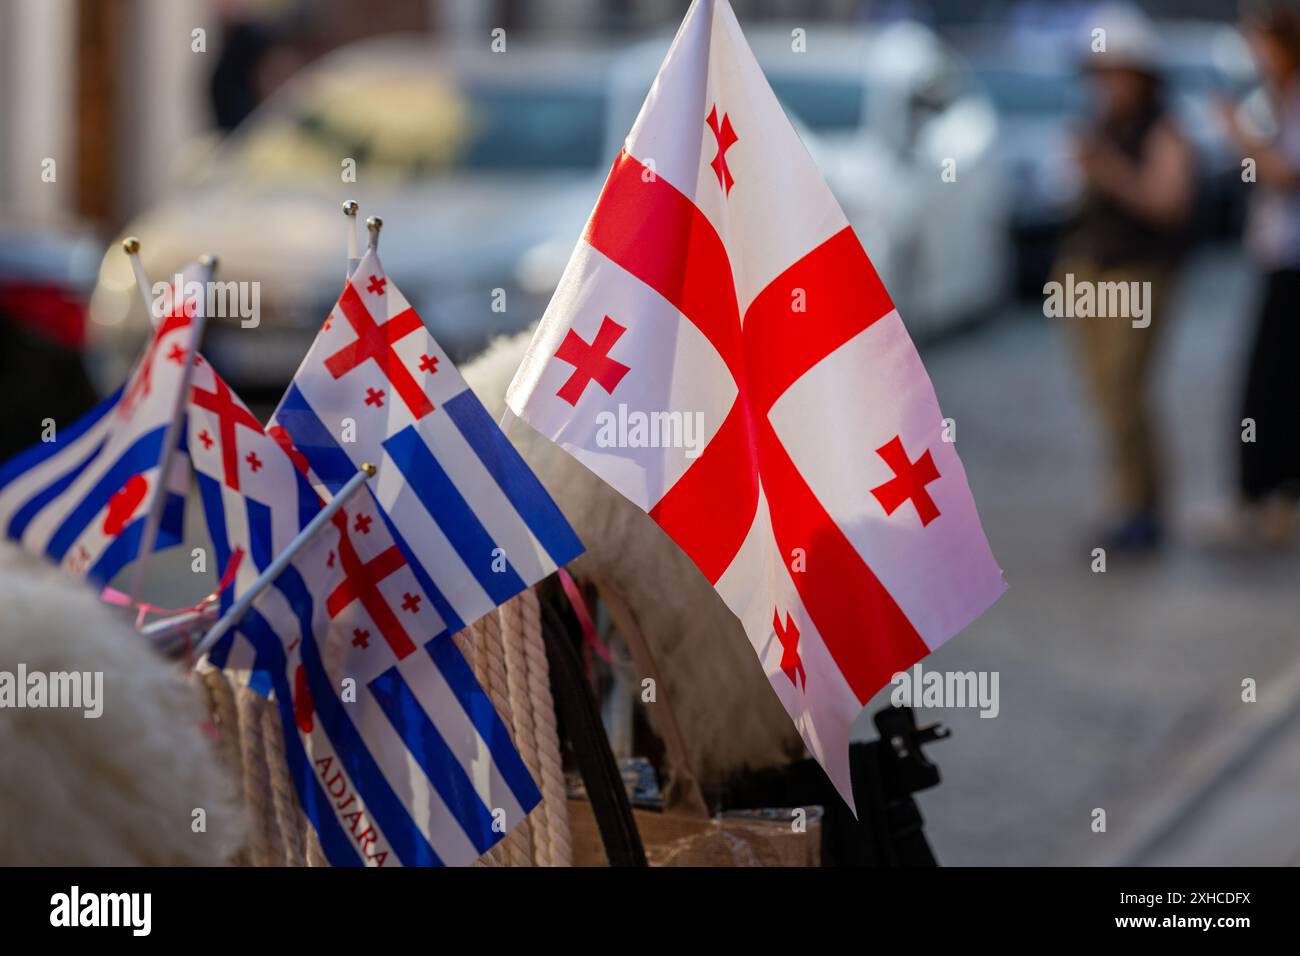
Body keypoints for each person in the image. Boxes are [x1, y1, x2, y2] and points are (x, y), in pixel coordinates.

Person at [1053, 4, 1195, 552]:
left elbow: (1167, 202)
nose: (1105, 83)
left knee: (1124, 388)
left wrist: (1108, 171)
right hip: (1092, 269)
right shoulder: (1102, 125)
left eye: (1114, 71)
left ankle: (1141, 505)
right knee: (1104, 392)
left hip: (1138, 273)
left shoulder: (1163, 129)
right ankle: (1129, 499)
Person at [1213, 0, 1300, 548]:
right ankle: (1266, 495)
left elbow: (1287, 175)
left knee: (1273, 384)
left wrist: (1236, 132)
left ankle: (1271, 496)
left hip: (1294, 263)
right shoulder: (1280, 97)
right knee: (1269, 383)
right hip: (1278, 256)